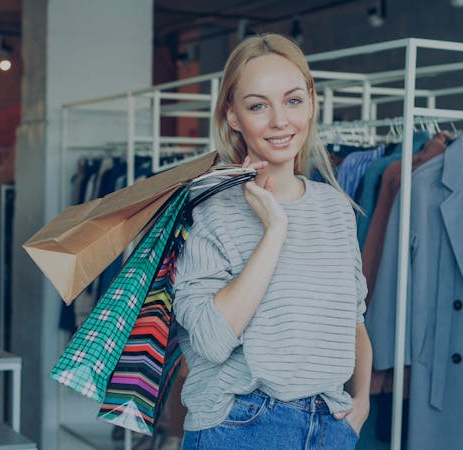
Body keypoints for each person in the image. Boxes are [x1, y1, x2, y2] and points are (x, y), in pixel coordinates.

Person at [173, 33, 372, 450]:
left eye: (293, 100)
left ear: (312, 103)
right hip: (240, 426)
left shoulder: (335, 209)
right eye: (258, 105)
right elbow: (211, 340)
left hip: (330, 426)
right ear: (232, 116)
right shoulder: (207, 210)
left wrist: (362, 402)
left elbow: (354, 322)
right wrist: (274, 230)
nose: (280, 120)